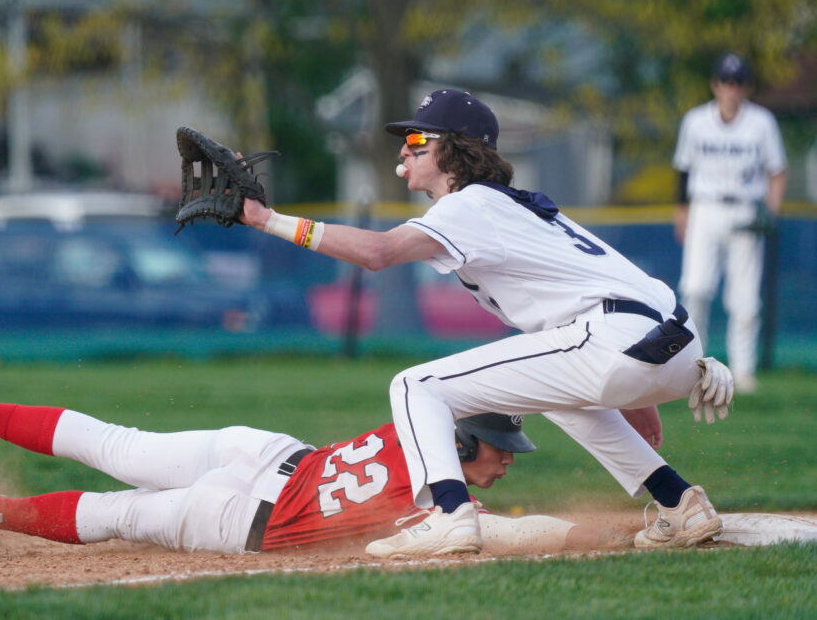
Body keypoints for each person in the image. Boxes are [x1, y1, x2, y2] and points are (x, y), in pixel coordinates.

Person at [237, 88, 735, 558]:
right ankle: (680, 504)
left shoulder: (470, 204)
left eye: (417, 141)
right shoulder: (512, 209)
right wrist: (643, 387)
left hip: (618, 340)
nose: (405, 152)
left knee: (417, 385)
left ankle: (448, 513)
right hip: (670, 344)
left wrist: (266, 220)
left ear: (455, 150)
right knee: (559, 400)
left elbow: (377, 252)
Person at [0, 380, 603, 554]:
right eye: (497, 449)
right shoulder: (442, 510)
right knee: (117, 512)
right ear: (460, 445)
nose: (506, 462)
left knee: (118, 445)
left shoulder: (418, 412)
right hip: (244, 519)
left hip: (266, 452)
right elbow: (518, 533)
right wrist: (602, 537)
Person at [673, 53, 788, 394]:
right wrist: (682, 214)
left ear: (746, 87)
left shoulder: (761, 122)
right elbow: (683, 170)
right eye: (725, 81)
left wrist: (772, 210)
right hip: (705, 208)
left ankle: (744, 372)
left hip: (745, 210)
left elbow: (777, 171)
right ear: (715, 85)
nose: (731, 88)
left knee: (745, 299)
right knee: (696, 289)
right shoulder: (696, 121)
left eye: (737, 82)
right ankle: (694, 370)